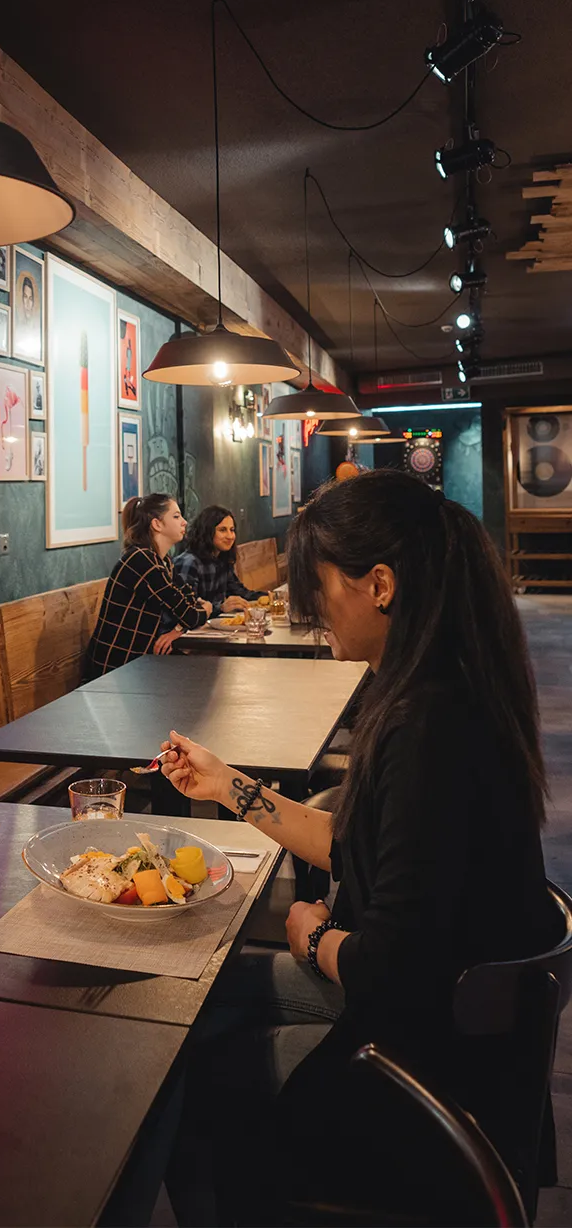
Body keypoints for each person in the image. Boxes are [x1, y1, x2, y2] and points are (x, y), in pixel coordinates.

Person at [159, 470, 557, 1223]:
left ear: (380, 584)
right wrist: (225, 785)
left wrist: (316, 940)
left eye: (317, 585)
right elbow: (350, 843)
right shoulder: (432, 687)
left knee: (191, 1076)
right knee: (206, 997)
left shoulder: (430, 728)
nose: (309, 608)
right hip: (449, 1028)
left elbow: (394, 969)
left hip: (427, 1072)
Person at [84, 494, 212, 678]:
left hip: (143, 663)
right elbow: (190, 614)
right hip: (117, 669)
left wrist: (178, 630)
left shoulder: (163, 560)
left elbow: (188, 600)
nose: (184, 522)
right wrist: (206, 609)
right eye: (176, 517)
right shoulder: (141, 560)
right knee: (202, 677)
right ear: (157, 524)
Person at [173, 504, 268, 616]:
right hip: (190, 632)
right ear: (207, 532)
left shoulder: (222, 558)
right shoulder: (189, 562)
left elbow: (239, 592)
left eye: (232, 530)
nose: (230, 536)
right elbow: (186, 610)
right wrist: (221, 607)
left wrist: (269, 596)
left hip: (213, 629)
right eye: (222, 530)